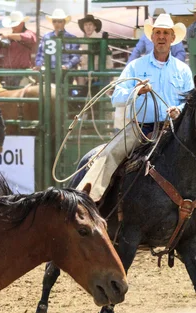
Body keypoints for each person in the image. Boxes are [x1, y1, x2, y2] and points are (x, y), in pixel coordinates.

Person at [77, 13, 194, 203]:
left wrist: (179, 110)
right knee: (111, 153)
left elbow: (189, 101)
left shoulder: (183, 70)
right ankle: (86, 201)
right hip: (141, 129)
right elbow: (116, 97)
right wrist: (137, 91)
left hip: (174, 131)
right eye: (158, 32)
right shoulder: (135, 67)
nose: (162, 37)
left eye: (166, 33)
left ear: (173, 38)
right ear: (152, 36)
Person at [0, 10, 36, 87]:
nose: (13, 26)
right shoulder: (7, 36)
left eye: (15, 24)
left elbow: (28, 37)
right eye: (12, 24)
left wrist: (8, 36)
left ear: (22, 23)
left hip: (23, 72)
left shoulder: (29, 33)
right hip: (8, 72)